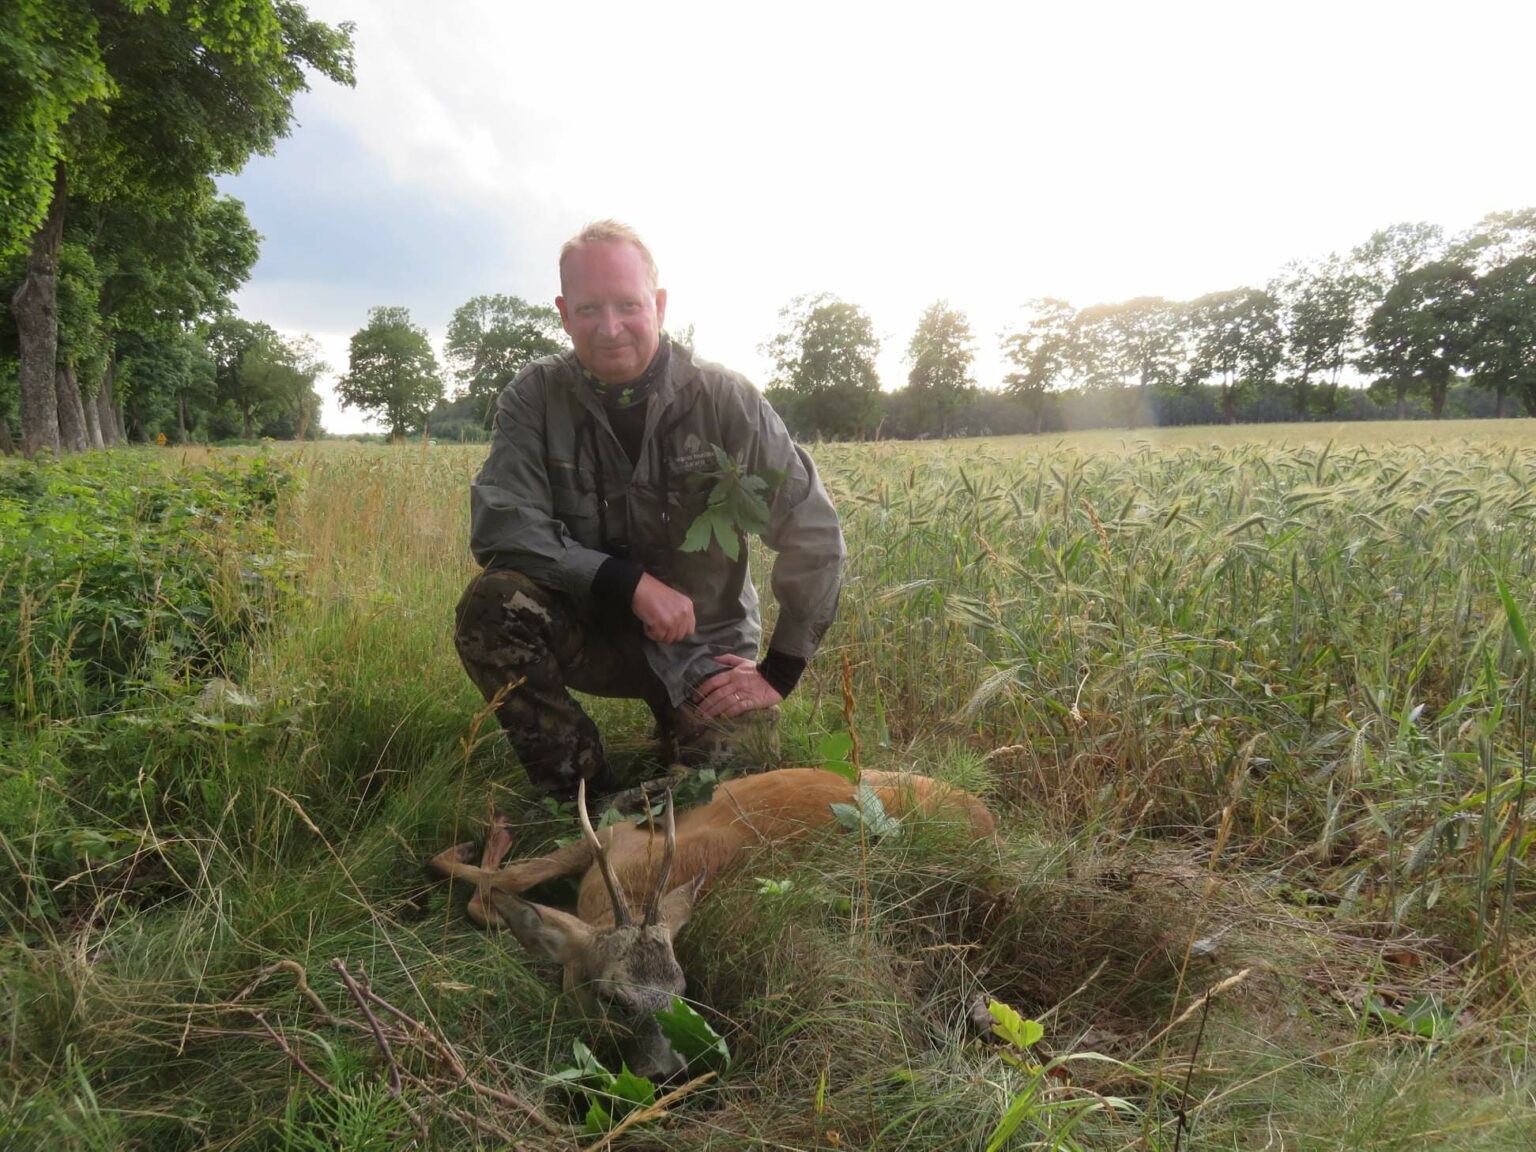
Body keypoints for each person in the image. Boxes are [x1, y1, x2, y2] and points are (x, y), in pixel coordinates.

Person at [454, 220, 845, 800]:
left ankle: (680, 749)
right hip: (592, 634)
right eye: (589, 310)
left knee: (723, 798)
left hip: (704, 651)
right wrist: (624, 582)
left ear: (658, 305)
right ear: (564, 314)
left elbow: (812, 531)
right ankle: (579, 795)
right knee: (493, 604)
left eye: (628, 305)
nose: (610, 329)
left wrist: (778, 673)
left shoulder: (726, 400)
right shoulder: (532, 398)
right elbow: (502, 524)